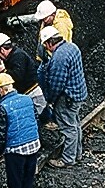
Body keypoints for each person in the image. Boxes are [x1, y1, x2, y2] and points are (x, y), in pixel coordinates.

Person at [37, 25, 88, 168]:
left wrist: (49, 100)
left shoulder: (59, 57)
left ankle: (68, 159)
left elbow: (56, 84)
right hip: (78, 94)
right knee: (75, 125)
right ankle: (77, 154)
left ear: (49, 43)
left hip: (68, 98)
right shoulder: (72, 47)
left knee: (68, 128)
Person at [0, 74, 41, 188]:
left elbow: (2, 133)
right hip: (33, 144)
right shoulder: (27, 99)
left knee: (15, 178)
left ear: (2, 90)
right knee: (28, 176)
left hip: (16, 148)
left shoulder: (4, 106)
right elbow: (36, 119)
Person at [32, 0, 73, 64]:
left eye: (45, 19)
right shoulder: (47, 21)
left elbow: (61, 48)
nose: (44, 21)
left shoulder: (61, 26)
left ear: (53, 14)